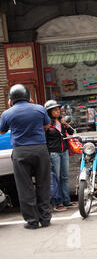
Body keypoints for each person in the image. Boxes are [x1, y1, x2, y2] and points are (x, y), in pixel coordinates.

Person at [0, 84, 52, 229]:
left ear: (11, 99)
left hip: (20, 152)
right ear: (29, 97)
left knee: (25, 187)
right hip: (40, 150)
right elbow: (47, 125)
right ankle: (45, 218)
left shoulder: (7, 113)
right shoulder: (39, 109)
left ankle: (32, 221)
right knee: (44, 184)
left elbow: (2, 131)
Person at [44, 100, 78, 212]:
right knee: (56, 178)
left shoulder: (62, 122)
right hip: (54, 153)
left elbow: (72, 132)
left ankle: (67, 201)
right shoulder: (47, 125)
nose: (58, 111)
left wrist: (66, 124)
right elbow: (44, 141)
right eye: (55, 110)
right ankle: (58, 203)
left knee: (65, 177)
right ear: (49, 112)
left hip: (64, 152)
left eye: (58, 109)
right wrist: (47, 157)